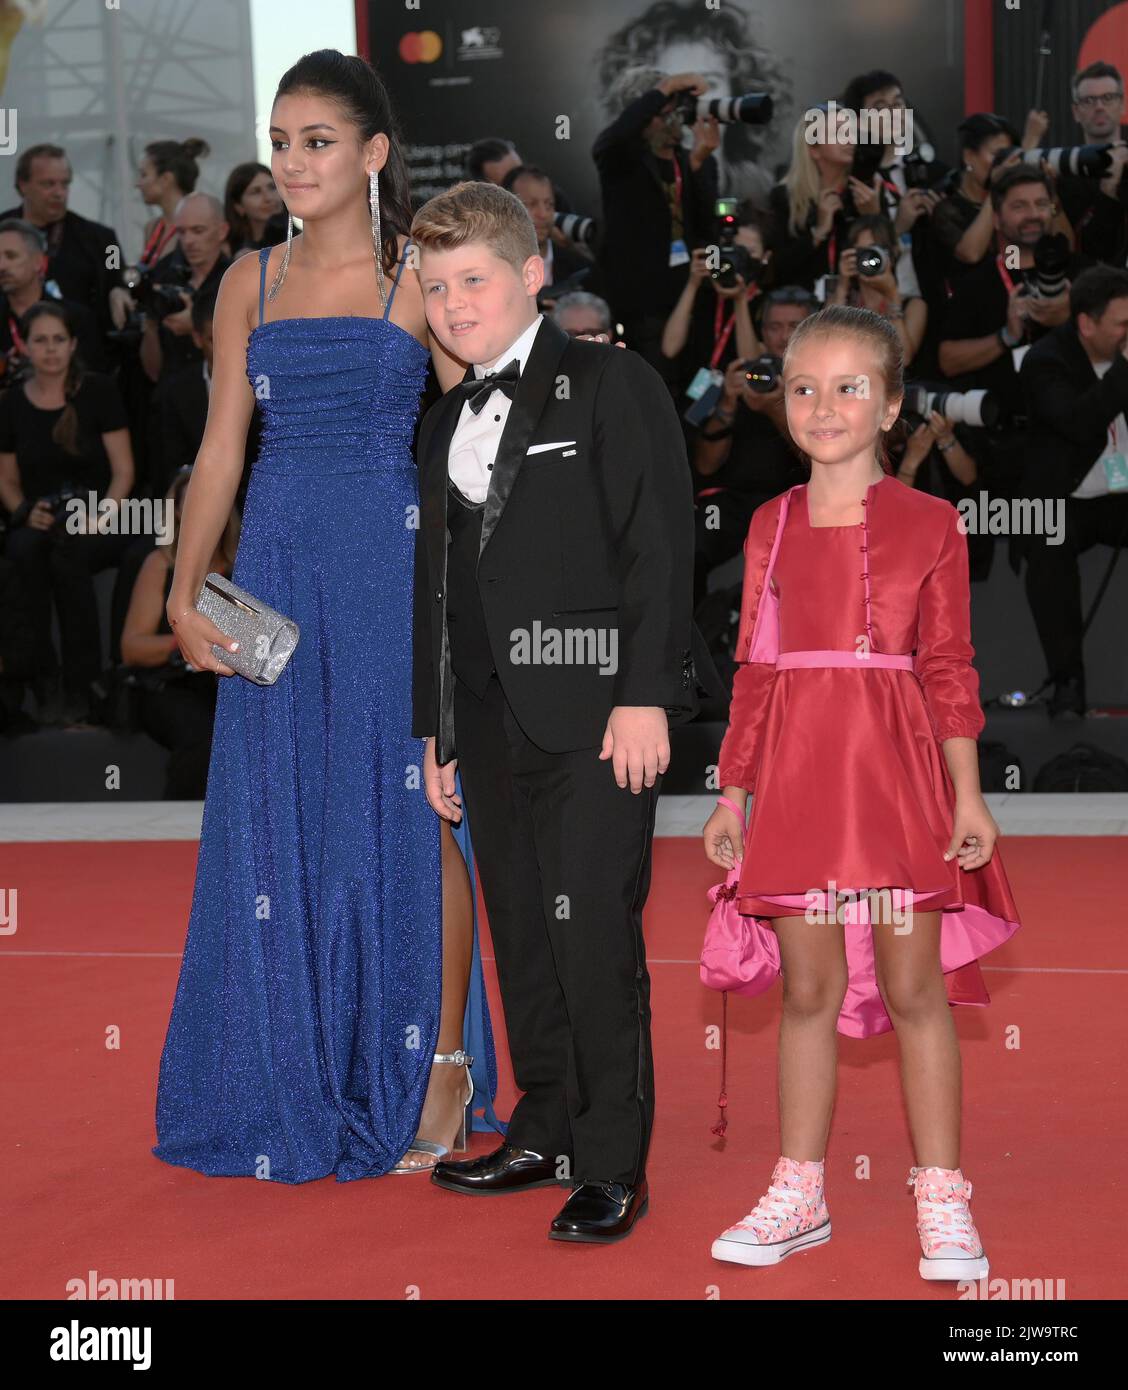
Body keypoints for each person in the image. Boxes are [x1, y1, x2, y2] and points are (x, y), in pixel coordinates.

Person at [151, 49, 499, 1183]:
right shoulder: (245, 281)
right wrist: (182, 589)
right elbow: (217, 454)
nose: (294, 161)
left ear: (374, 153)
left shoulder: (420, 276)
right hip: (279, 578)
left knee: (416, 813)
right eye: (282, 139)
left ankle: (440, 1060)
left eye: (319, 141)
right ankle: (300, 1064)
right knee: (285, 817)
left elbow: (475, 439)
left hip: (395, 571)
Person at [410, 179, 712, 1242]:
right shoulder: (442, 416)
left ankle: (615, 1161)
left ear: (533, 275)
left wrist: (645, 694)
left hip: (597, 713)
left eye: (475, 280)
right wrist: (437, 726)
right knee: (523, 933)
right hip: (486, 721)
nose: (453, 303)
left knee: (593, 938)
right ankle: (542, 1125)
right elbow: (440, 589)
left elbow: (659, 548)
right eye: (435, 285)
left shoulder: (611, 380)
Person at [702, 305, 1021, 1281]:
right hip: (796, 781)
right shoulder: (769, 522)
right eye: (804, 387)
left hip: (897, 785)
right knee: (808, 990)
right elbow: (754, 671)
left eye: (849, 387)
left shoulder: (932, 523)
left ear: (889, 403)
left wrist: (968, 798)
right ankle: (800, 1189)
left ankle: (941, 1189)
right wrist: (732, 795)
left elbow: (953, 668)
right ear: (782, 403)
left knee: (917, 989)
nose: (824, 406)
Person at [0, 302, 134, 725]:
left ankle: (85, 683)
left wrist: (101, 517)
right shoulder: (11, 403)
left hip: (100, 515)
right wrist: (24, 511)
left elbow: (124, 471)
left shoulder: (98, 391)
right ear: (24, 344)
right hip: (42, 516)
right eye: (40, 340)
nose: (51, 349)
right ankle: (39, 676)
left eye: (59, 339)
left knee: (69, 556)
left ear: (74, 343)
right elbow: (5, 479)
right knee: (23, 550)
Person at [1019, 266, 1128, 719]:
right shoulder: (1046, 359)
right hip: (1065, 500)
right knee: (1047, 553)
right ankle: (1067, 680)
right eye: (1123, 325)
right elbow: (1079, 423)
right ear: (1087, 323)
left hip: (1123, 496)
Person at [119, 467, 235, 798]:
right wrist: (186, 637)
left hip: (223, 683)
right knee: (200, 735)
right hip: (168, 683)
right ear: (178, 511)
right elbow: (132, 648)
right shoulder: (160, 564)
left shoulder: (243, 565)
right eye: (192, 501)